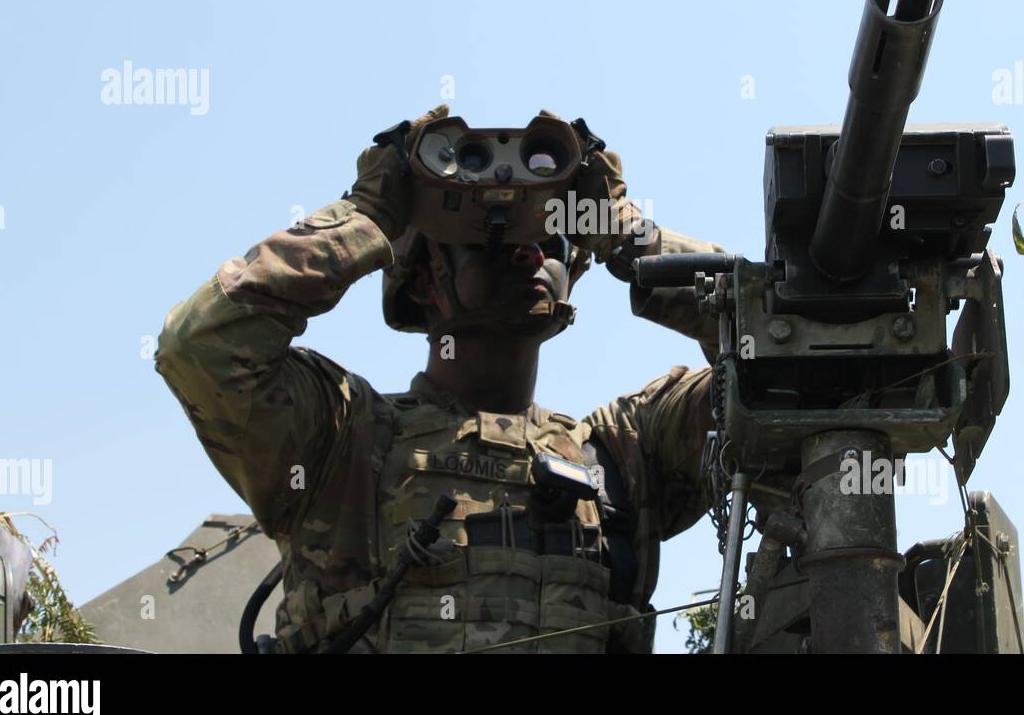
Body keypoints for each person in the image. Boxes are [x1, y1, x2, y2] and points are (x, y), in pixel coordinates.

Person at [154, 105, 728, 653]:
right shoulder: (341, 439)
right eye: (493, 241)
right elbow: (199, 345)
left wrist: (629, 236)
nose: (530, 258)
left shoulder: (627, 454)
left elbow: (778, 356)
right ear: (425, 280)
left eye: (548, 243)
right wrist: (368, 217)